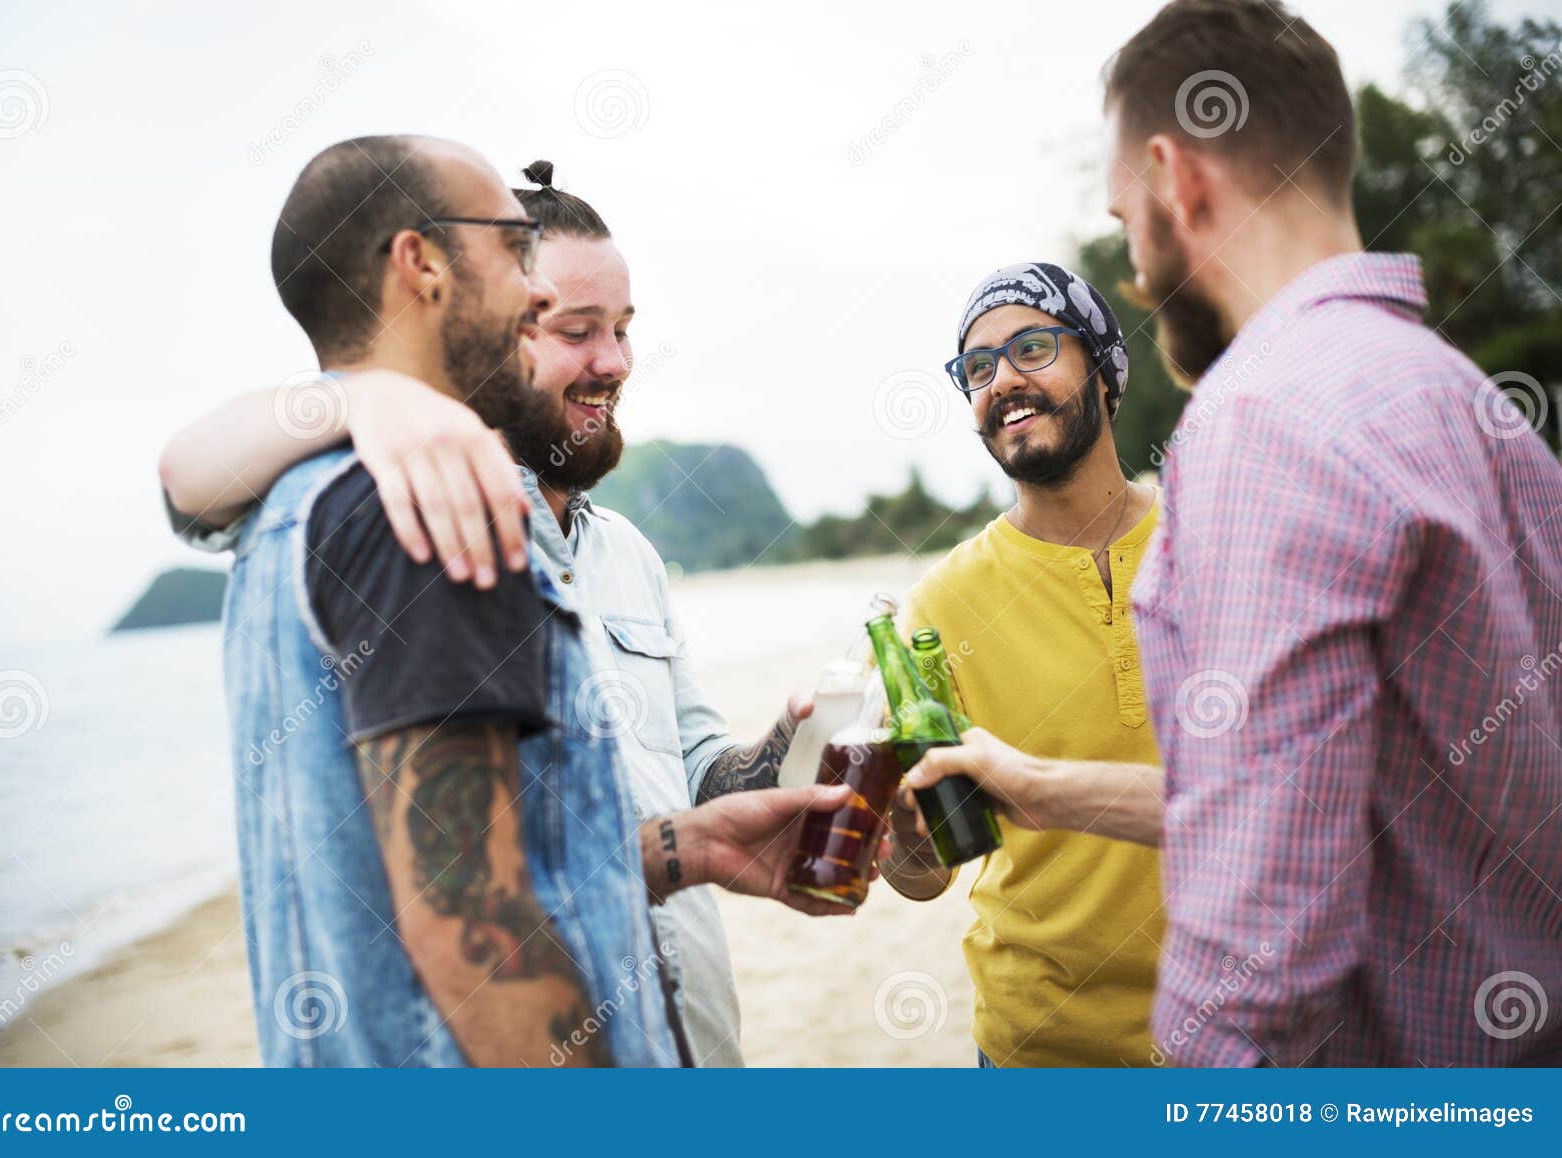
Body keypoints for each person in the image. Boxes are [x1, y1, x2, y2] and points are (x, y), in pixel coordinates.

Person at [920, 0, 1562, 1066]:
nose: (1133, 267)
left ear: (1177, 177)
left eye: (1126, 219)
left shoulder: (1260, 420)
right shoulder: (1470, 404)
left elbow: (1266, 917)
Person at [199, 134, 851, 1068]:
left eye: (620, 325)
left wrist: (700, 840)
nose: (536, 299)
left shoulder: (294, 506)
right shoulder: (431, 510)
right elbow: (476, 926)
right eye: (515, 258)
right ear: (419, 265)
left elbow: (522, 861)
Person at [876, 260, 1167, 1066]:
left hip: (1250, 1045)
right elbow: (926, 874)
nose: (1003, 379)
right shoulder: (939, 607)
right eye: (978, 367)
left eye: (1033, 348)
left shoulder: (1213, 538)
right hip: (1040, 1055)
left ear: (1104, 371)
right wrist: (902, 834)